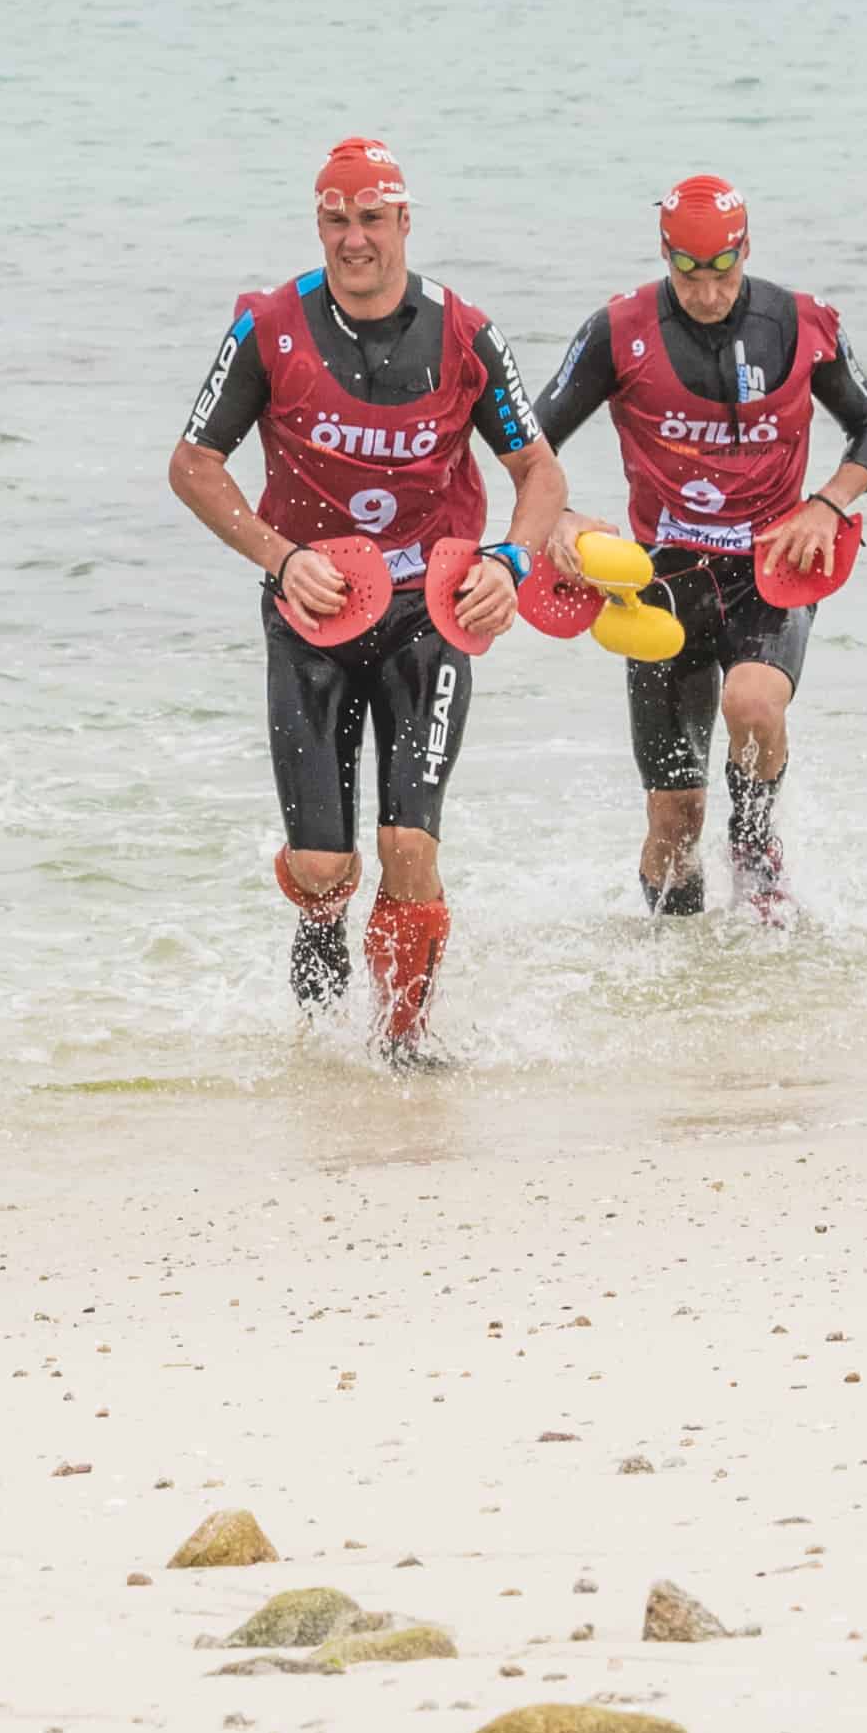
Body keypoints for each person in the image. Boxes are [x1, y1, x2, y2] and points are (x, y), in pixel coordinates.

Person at [161, 136, 557, 1063]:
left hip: (429, 610)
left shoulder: (463, 331)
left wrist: (511, 558)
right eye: (334, 220)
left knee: (409, 846)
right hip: (312, 613)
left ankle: (403, 1045)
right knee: (322, 866)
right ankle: (318, 949)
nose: (353, 240)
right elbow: (192, 464)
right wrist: (280, 554)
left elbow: (536, 467)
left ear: (404, 221)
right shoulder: (268, 326)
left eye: (371, 219)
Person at [528, 175, 867, 921]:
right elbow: (528, 444)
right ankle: (676, 964)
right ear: (665, 254)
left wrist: (827, 504)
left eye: (722, 269)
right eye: (686, 271)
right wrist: (559, 516)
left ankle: (755, 844)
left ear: (745, 249)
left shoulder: (799, 323)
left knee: (753, 701)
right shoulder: (618, 329)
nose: (704, 290)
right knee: (672, 819)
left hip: (770, 566)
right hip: (662, 580)